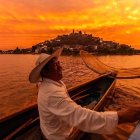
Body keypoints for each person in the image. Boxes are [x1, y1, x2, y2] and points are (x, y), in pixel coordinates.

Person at [29, 48, 140, 140]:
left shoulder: (48, 83)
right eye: (55, 66)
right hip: (58, 136)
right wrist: (120, 116)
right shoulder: (52, 94)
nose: (60, 67)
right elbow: (83, 118)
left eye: (59, 64)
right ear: (44, 72)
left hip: (49, 130)